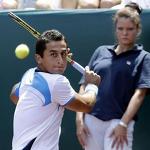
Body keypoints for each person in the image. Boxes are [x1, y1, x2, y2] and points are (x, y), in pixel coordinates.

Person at [10, 29, 101, 150]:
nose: (60, 60)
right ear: (39, 58)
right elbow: (87, 105)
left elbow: (13, 94)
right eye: (53, 54)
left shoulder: (29, 75)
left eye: (63, 54)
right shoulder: (57, 83)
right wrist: (92, 85)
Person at [76, 6, 150, 150]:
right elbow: (84, 85)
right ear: (115, 29)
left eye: (130, 29)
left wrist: (123, 123)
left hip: (119, 122)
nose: (125, 33)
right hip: (91, 120)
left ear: (137, 30)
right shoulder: (100, 51)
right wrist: (79, 120)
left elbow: (140, 94)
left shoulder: (144, 58)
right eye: (120, 28)